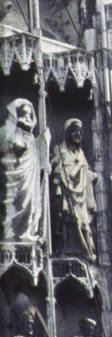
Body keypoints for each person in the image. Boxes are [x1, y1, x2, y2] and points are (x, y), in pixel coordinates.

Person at [50, 119, 97, 260]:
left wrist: (92, 175)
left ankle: (85, 250)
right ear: (68, 132)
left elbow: (86, 170)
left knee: (83, 224)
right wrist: (66, 176)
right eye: (74, 131)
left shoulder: (81, 153)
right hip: (65, 192)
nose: (77, 135)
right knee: (67, 220)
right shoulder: (60, 149)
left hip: (80, 194)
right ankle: (64, 248)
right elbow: (56, 169)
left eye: (80, 132)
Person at [0, 98, 41, 240]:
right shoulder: (6, 131)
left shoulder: (30, 138)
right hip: (12, 176)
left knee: (29, 202)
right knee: (13, 203)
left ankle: (26, 233)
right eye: (23, 114)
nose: (27, 118)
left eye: (30, 115)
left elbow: (36, 160)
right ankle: (10, 234)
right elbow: (5, 145)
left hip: (28, 177)